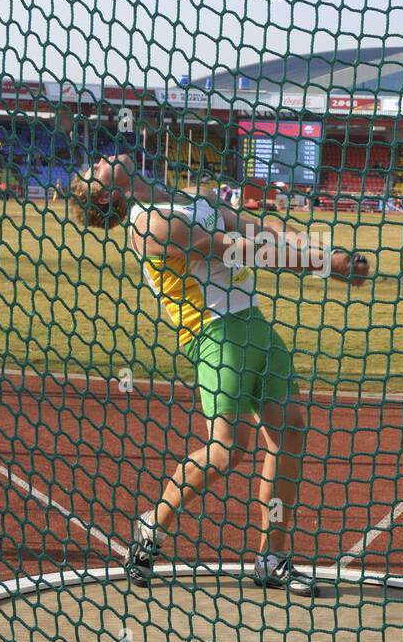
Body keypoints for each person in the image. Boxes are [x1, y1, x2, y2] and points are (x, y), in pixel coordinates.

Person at [69, 154, 370, 596]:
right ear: (109, 195)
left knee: (289, 433)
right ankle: (152, 528)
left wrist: (326, 254)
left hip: (253, 325)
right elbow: (239, 249)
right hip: (215, 335)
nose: (99, 159)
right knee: (227, 450)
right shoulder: (148, 224)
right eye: (95, 171)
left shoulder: (189, 197)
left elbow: (261, 231)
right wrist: (326, 265)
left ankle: (273, 557)